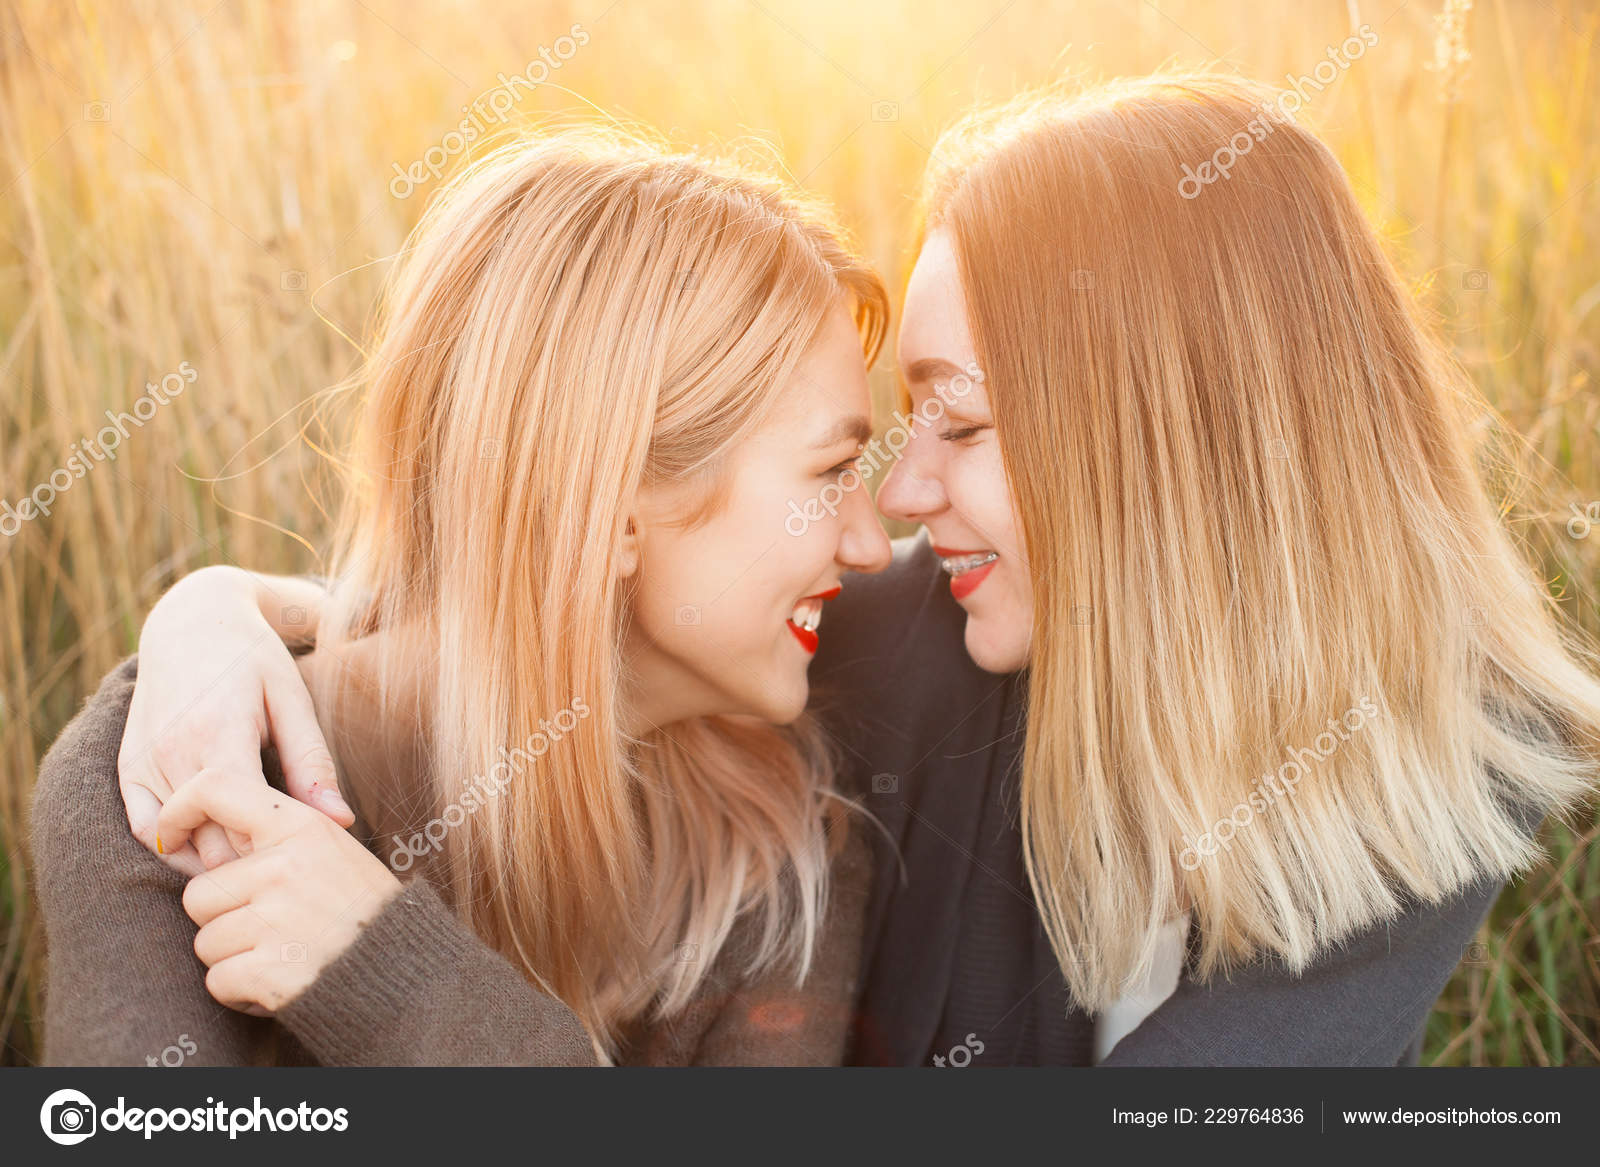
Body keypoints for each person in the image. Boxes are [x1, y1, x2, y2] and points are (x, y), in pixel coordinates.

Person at [97, 76, 1600, 1065]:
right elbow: (559, 621)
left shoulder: (1438, 779)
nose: (897, 497)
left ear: (1157, 444)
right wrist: (211, 620)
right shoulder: (916, 634)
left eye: (958, 416)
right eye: (879, 435)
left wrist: (395, 975)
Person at [31, 127, 895, 1065]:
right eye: (833, 469)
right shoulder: (175, 768)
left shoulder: (776, 852)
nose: (874, 543)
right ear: (608, 509)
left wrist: (397, 985)